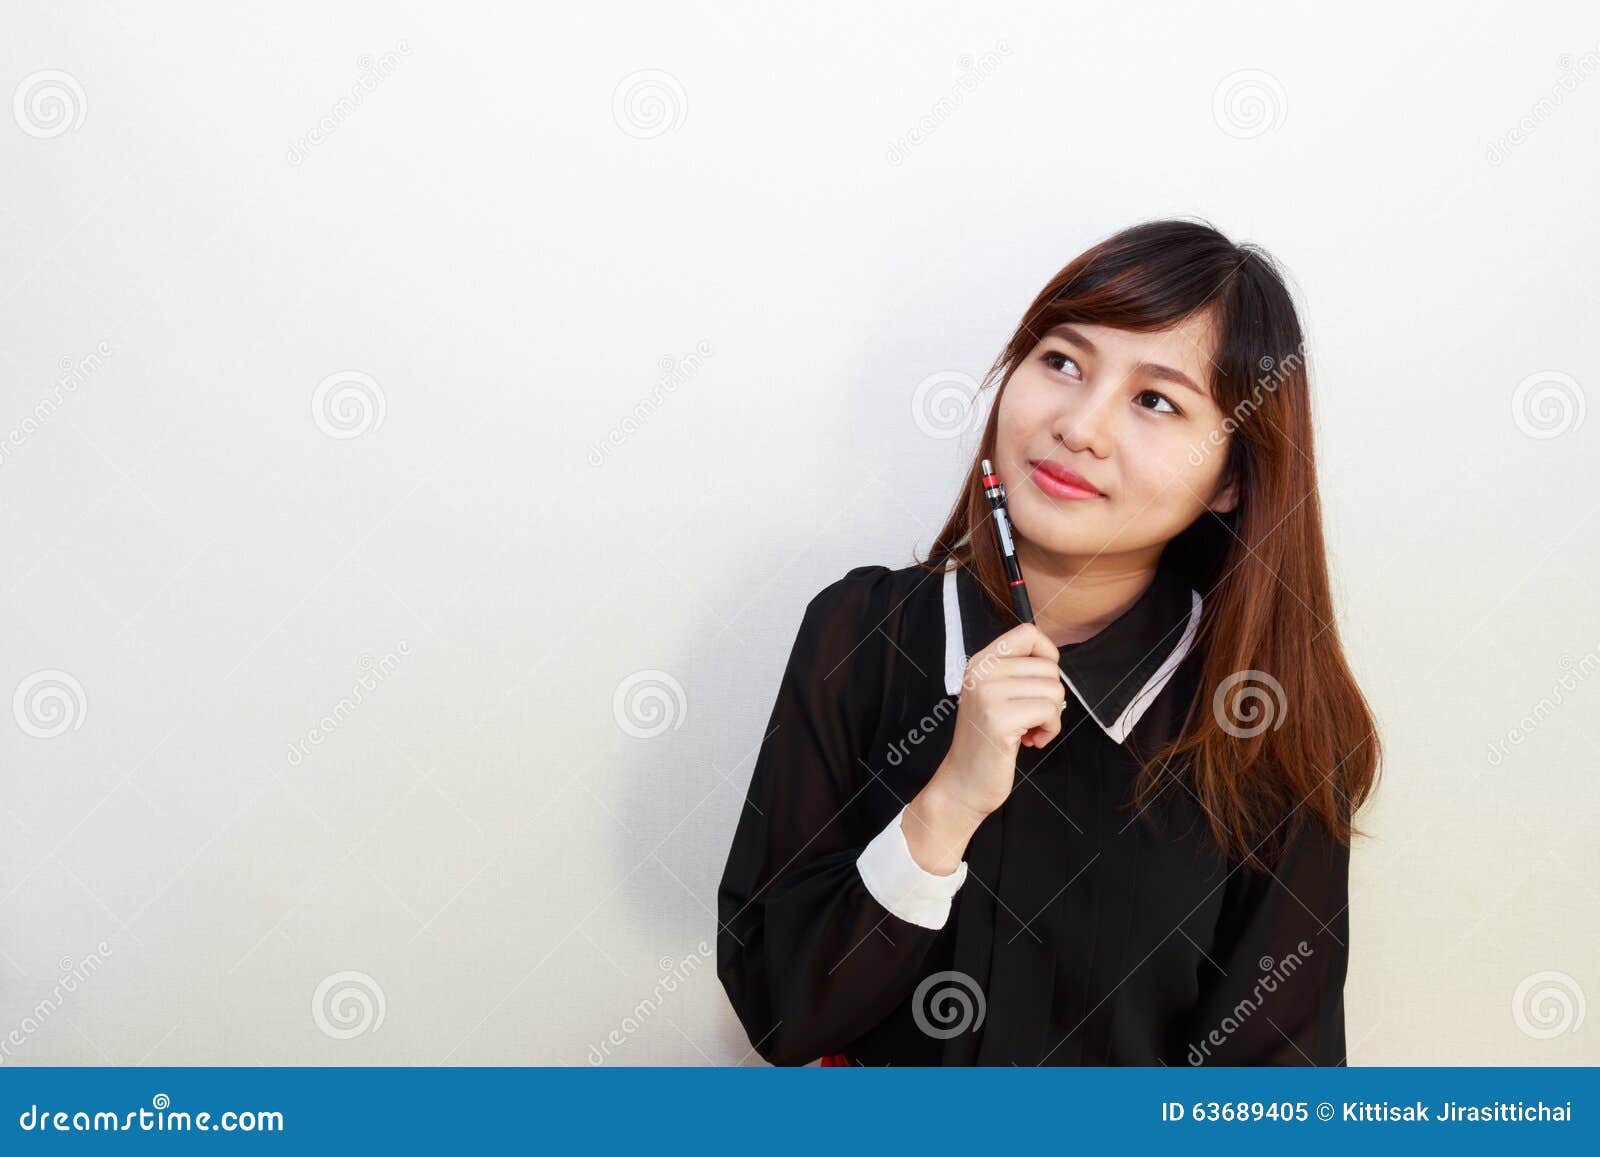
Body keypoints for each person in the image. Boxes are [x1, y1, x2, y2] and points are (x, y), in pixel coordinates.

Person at [716, 219, 1382, 1066]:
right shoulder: (860, 633)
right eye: (1062, 361)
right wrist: (947, 801)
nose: (1078, 424)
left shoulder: (1269, 724)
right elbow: (781, 1011)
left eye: (1155, 400)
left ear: (1232, 480)